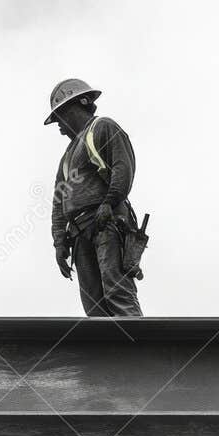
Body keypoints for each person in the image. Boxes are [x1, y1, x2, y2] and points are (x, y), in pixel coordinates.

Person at [46, 78, 143, 318]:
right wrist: (60, 243)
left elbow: (122, 167)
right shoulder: (67, 158)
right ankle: (109, 355)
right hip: (79, 233)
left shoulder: (102, 128)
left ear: (78, 106)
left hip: (106, 223)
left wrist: (109, 202)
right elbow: (59, 204)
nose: (58, 125)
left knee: (117, 292)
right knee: (94, 307)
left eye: (60, 116)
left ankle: (139, 351)